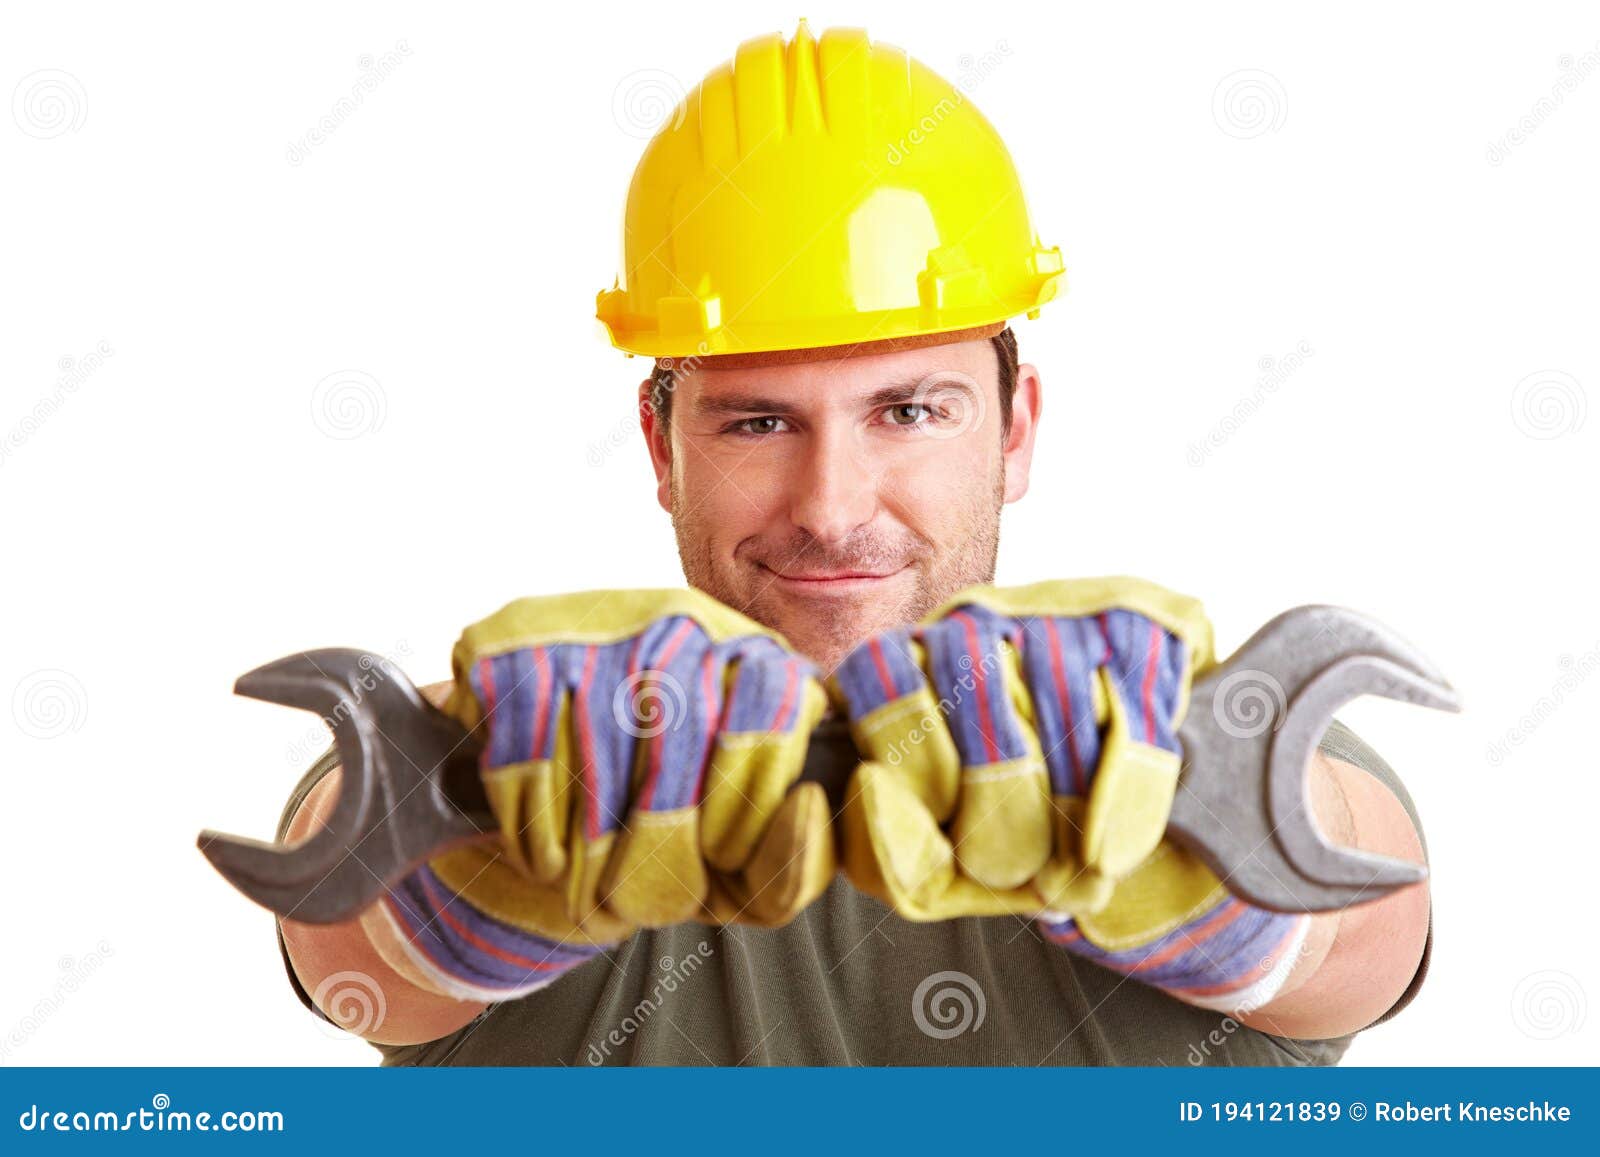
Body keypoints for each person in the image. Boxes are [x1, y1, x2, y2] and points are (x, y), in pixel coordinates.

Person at [275, 21, 1431, 1066]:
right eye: (758, 420)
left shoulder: (1192, 737)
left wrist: (1212, 856)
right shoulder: (534, 754)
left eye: (909, 410)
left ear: (1014, 429)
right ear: (662, 443)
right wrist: (473, 846)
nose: (830, 505)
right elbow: (350, 948)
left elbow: (1360, 934)